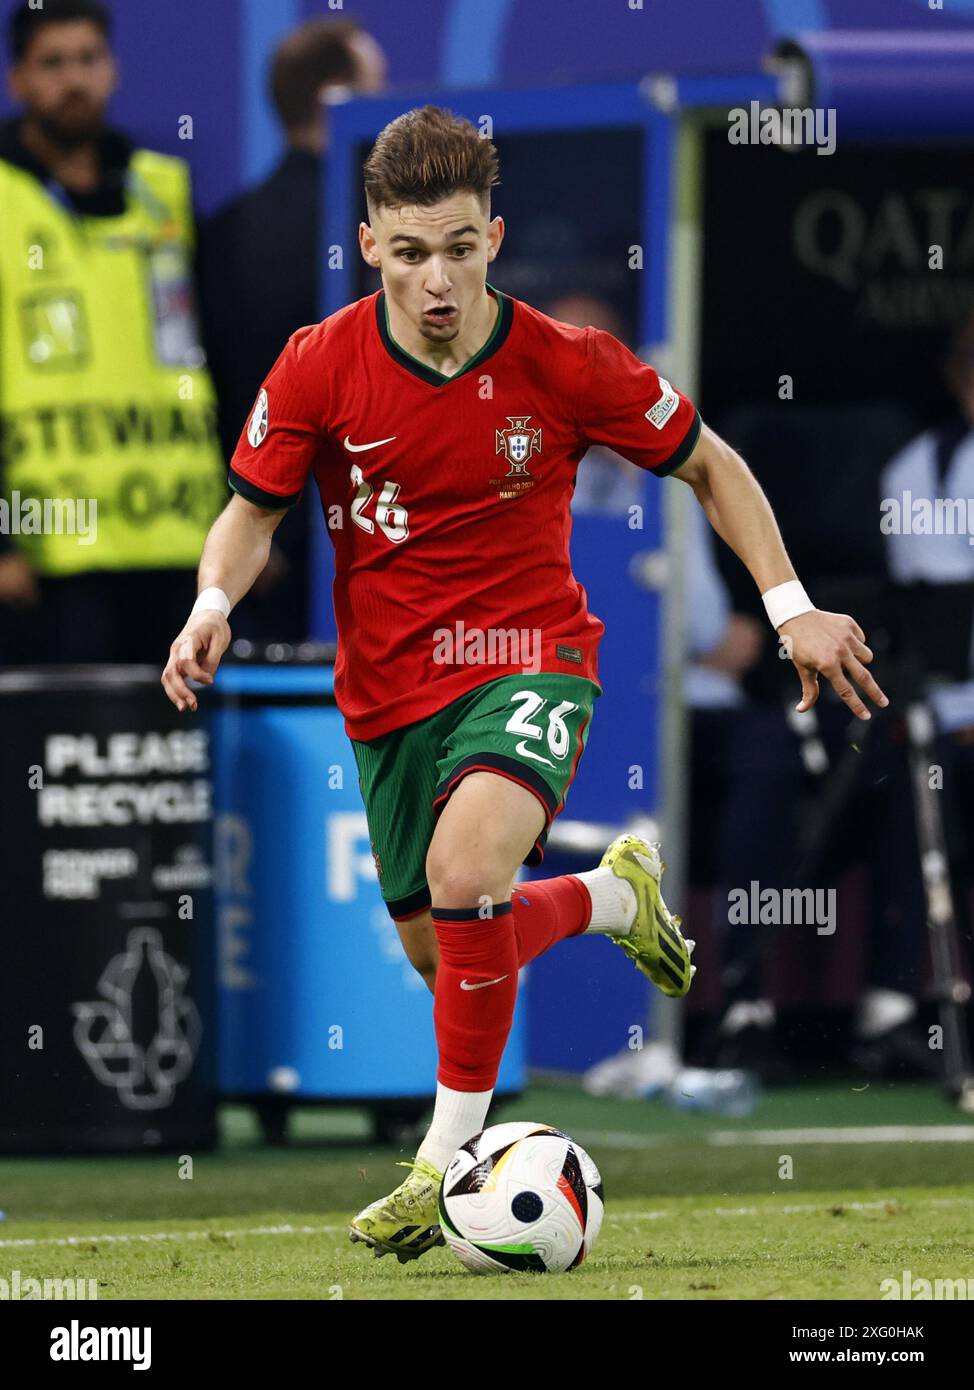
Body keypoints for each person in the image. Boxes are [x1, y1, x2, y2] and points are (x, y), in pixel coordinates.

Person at [160, 107, 888, 1263]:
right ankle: (610, 896)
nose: (434, 279)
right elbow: (247, 519)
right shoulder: (317, 363)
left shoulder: (562, 363)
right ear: (368, 249)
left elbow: (711, 462)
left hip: (527, 658)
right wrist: (211, 606)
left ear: (492, 238)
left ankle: (439, 1162)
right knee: (444, 951)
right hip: (390, 694)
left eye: (456, 247)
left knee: (466, 871)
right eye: (408, 254)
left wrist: (789, 607)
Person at [0, 0, 225, 662]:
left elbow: (230, 363)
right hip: (51, 561)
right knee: (71, 756)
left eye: (88, 59)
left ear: (114, 69)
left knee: (171, 755)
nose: (74, 79)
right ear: (19, 80)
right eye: (53, 63)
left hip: (179, 542)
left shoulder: (165, 193)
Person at [197, 17, 387, 643]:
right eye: (377, 92)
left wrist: (245, 517)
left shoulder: (226, 230)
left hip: (261, 528)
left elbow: (202, 390)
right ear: (340, 98)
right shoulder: (381, 236)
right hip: (367, 528)